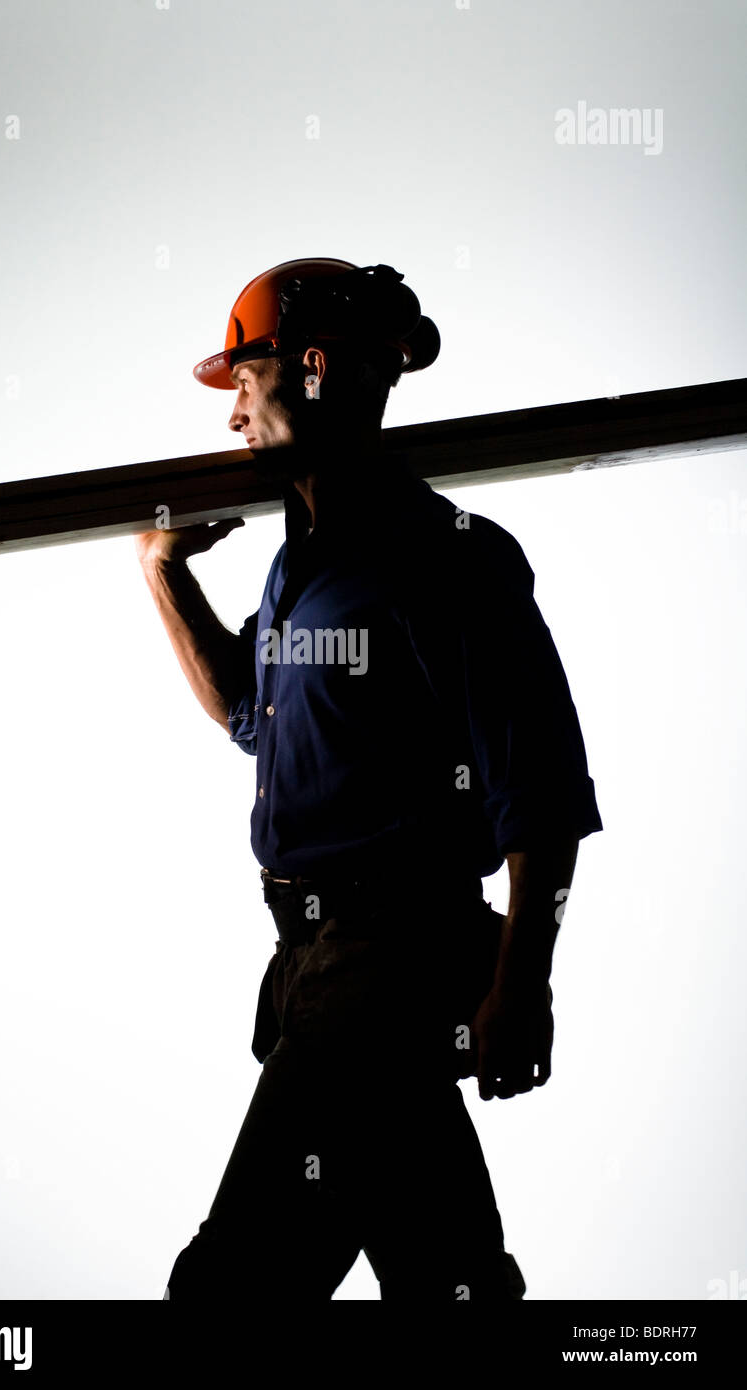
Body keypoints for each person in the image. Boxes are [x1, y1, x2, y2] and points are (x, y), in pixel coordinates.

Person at [134, 259, 603, 1302]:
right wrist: (163, 574)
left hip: (384, 968)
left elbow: (540, 788)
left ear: (306, 368)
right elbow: (249, 715)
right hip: (312, 964)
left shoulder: (451, 561)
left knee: (232, 1285)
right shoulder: (300, 565)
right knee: (450, 1282)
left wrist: (519, 984)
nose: (232, 421)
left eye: (243, 386)